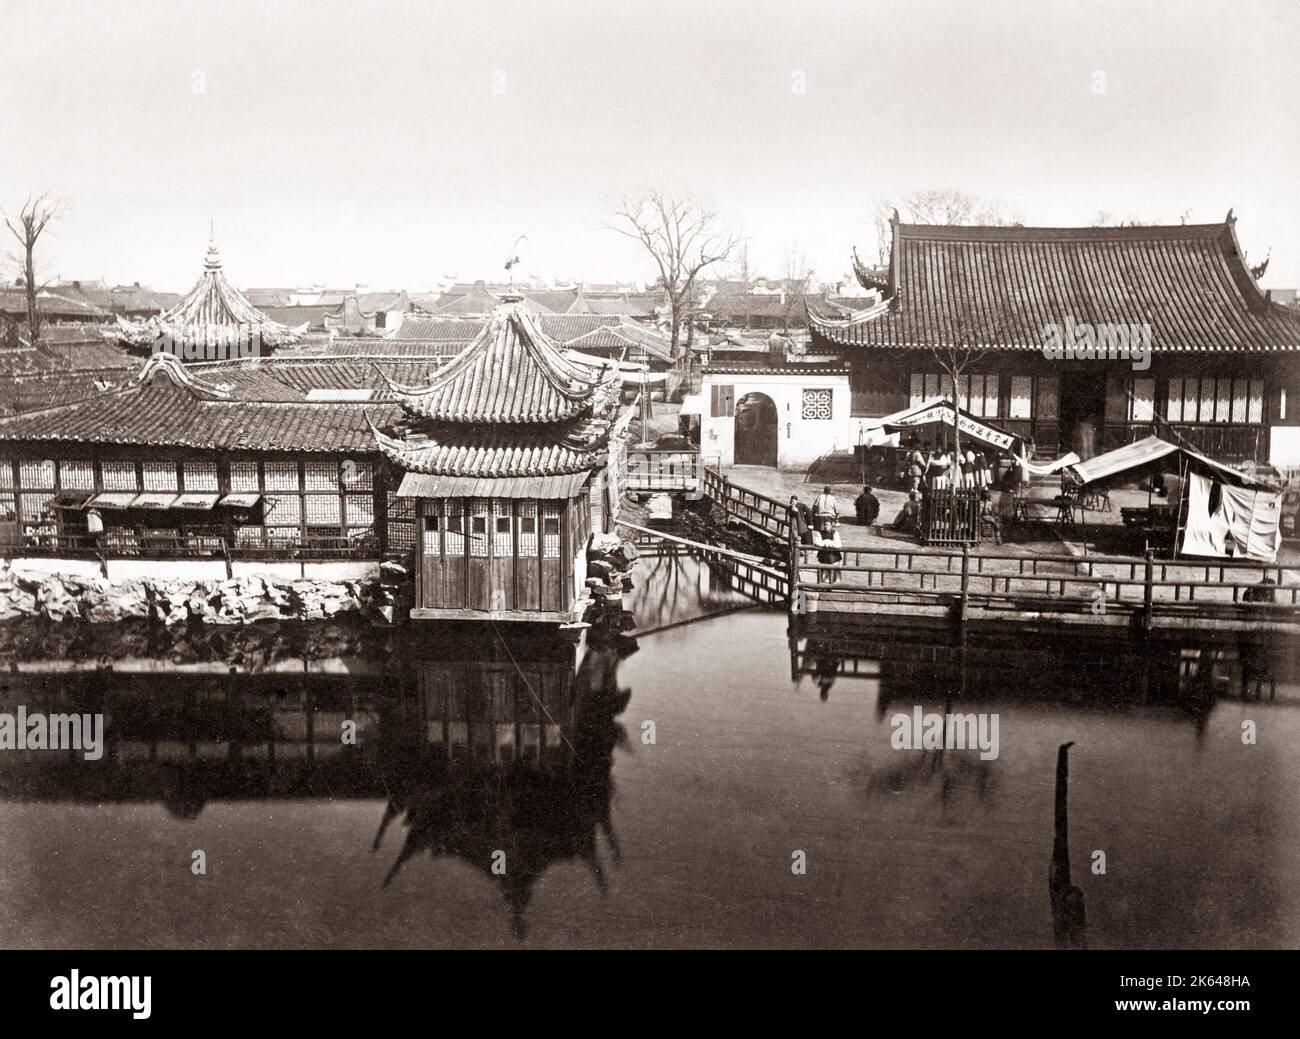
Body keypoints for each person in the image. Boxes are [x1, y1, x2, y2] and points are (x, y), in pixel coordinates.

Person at [814, 518, 843, 583]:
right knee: (824, 572)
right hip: (823, 556)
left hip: (834, 556)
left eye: (827, 525)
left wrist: (828, 542)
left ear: (831, 526)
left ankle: (835, 583)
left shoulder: (835, 533)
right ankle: (824, 584)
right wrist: (826, 542)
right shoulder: (820, 533)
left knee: (835, 570)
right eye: (825, 525)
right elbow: (817, 543)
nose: (826, 526)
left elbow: (838, 544)